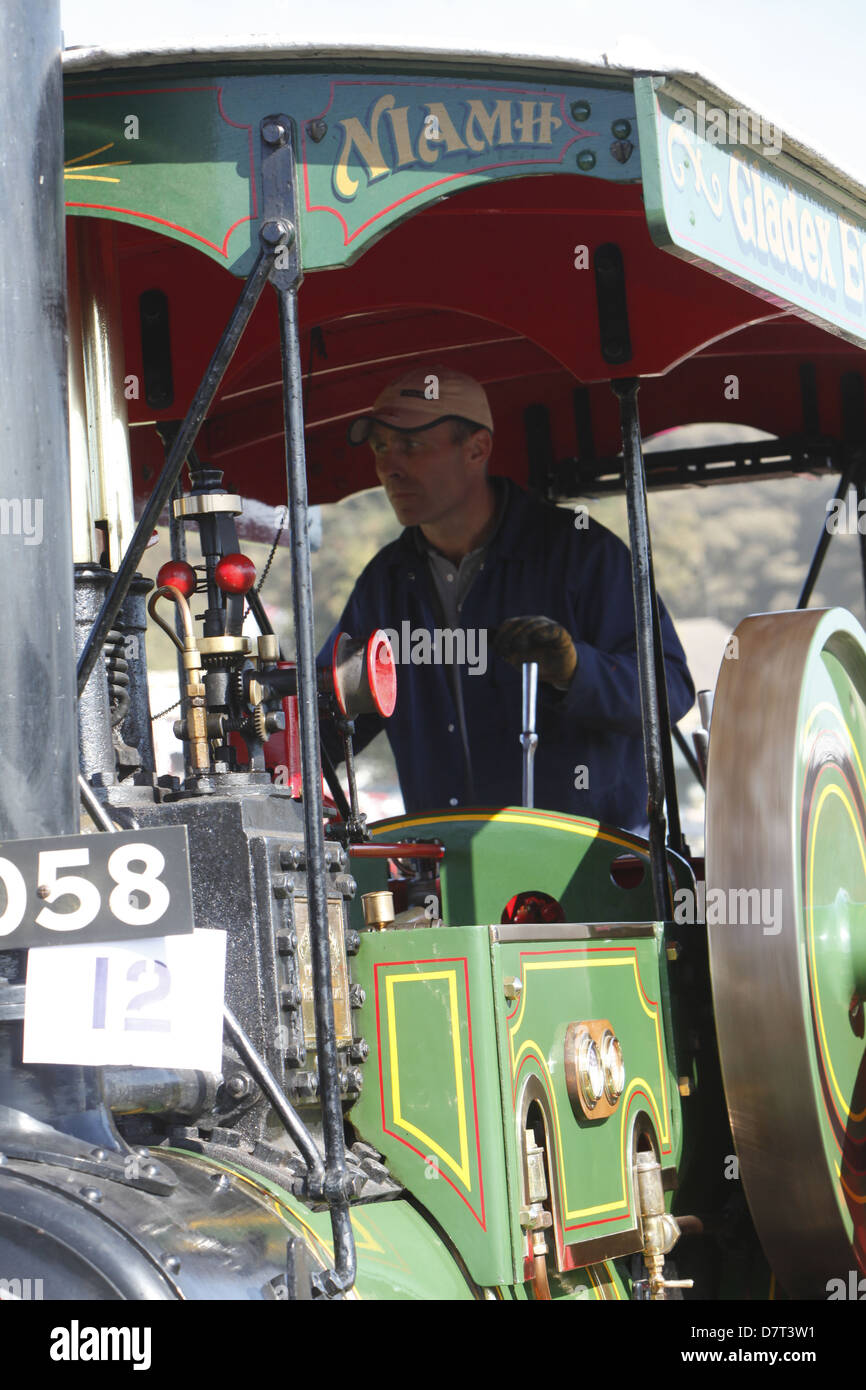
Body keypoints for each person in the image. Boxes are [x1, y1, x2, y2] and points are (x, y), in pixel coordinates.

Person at [318, 366, 694, 833]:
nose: (389, 465)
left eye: (411, 445)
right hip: (446, 870)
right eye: (381, 447)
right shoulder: (386, 582)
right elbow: (329, 719)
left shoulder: (582, 555)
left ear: (477, 449)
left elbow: (670, 691)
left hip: (590, 866)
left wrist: (577, 671)